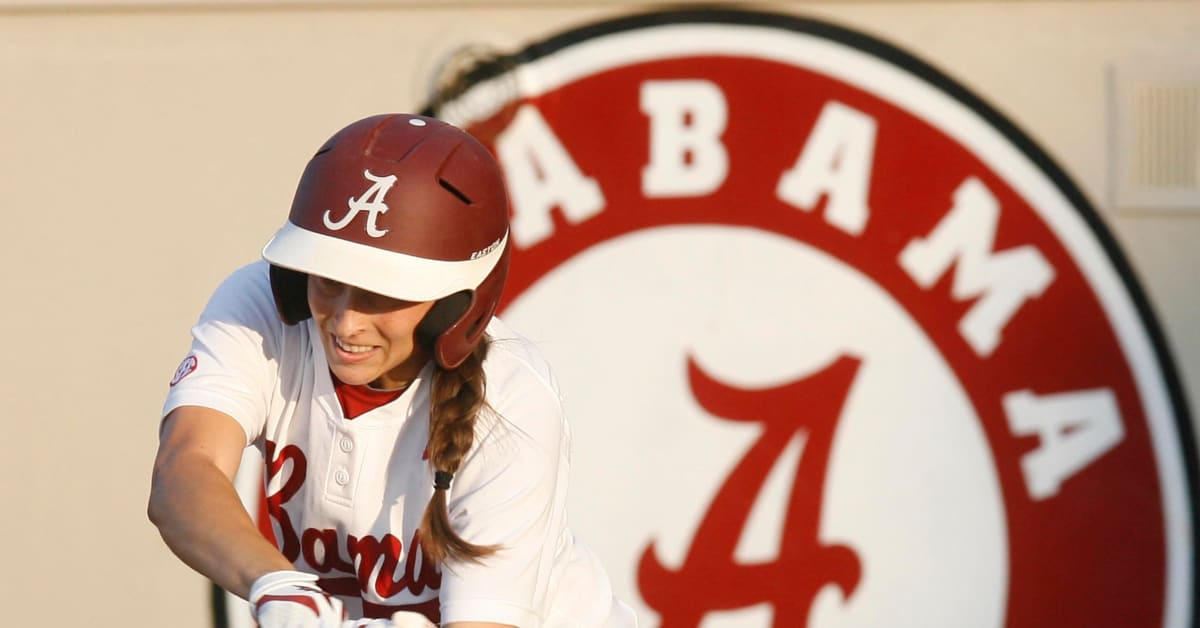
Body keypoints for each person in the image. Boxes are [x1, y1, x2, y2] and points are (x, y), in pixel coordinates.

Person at [149, 113, 637, 628]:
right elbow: (184, 474)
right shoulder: (261, 305)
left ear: (457, 303)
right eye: (328, 279)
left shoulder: (514, 396)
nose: (345, 321)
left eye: (381, 292)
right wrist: (280, 588)